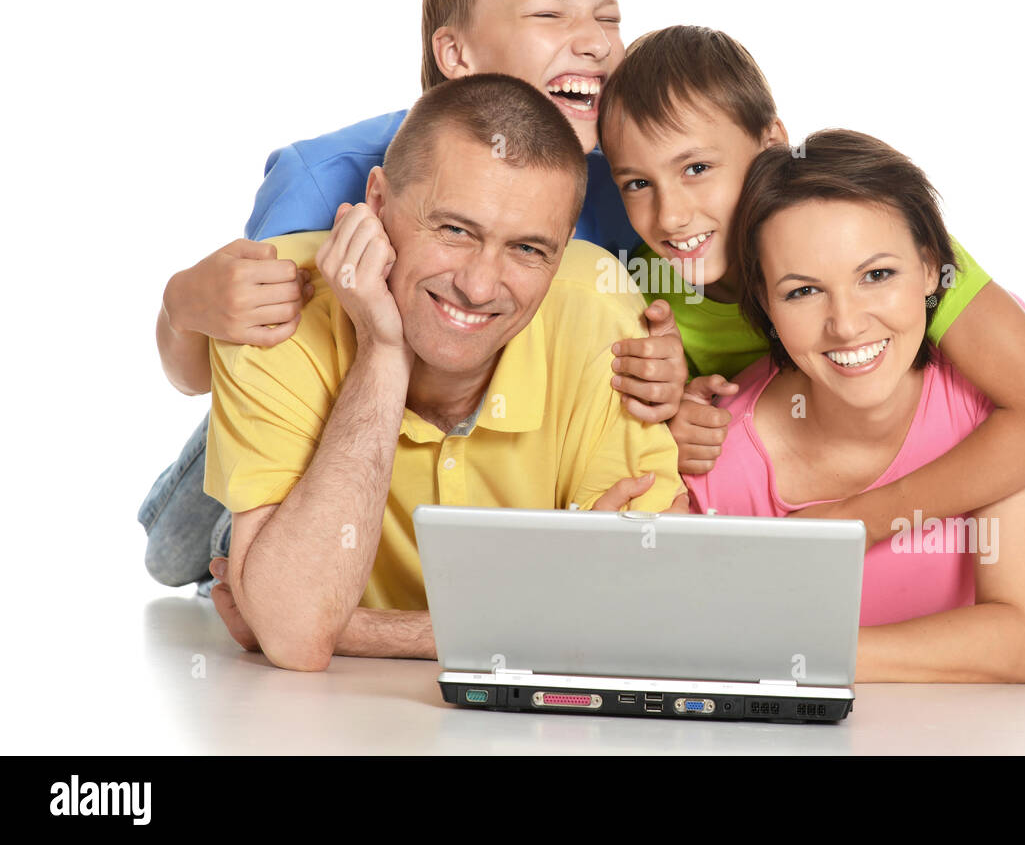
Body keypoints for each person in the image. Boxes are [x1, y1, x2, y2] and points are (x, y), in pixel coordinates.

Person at [141, 0, 687, 591]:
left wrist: (669, 369)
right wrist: (182, 310)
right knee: (181, 551)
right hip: (325, 405)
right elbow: (239, 357)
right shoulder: (323, 178)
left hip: (476, 425)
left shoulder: (617, 187)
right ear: (456, 55)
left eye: (608, 19)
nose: (598, 43)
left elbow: (622, 336)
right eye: (551, 15)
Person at [597, 25, 1025, 633]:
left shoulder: (873, 236)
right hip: (856, 515)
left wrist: (855, 521)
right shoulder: (645, 287)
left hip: (993, 476)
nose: (671, 215)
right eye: (637, 184)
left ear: (771, 143)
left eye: (698, 168)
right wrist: (677, 416)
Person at [203, 74, 687, 672]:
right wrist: (382, 351)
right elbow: (297, 636)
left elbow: (641, 611)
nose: (479, 287)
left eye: (528, 249)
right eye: (455, 230)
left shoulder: (601, 311)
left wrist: (348, 627)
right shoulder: (274, 309)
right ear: (377, 202)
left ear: (562, 251)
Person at [686, 132, 1025, 681]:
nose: (846, 325)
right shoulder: (718, 457)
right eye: (802, 291)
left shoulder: (996, 397)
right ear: (765, 305)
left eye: (877, 275)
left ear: (932, 269)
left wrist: (802, 652)